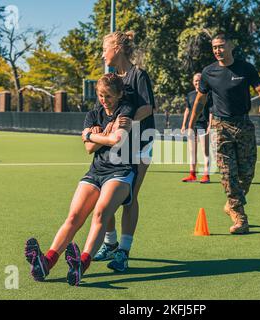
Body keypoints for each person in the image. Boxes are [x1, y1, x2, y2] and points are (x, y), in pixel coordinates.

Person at [24, 73, 136, 286]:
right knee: (74, 216)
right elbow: (88, 148)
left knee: (101, 212)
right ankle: (45, 262)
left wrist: (91, 134)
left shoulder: (125, 111)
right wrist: (100, 135)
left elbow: (116, 139)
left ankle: (81, 264)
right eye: (101, 95)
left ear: (120, 95)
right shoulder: (93, 113)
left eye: (109, 96)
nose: (104, 100)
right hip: (95, 172)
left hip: (121, 171)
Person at [85, 31, 156, 272]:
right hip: (115, 147)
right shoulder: (110, 78)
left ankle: (123, 252)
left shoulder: (138, 75)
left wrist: (125, 121)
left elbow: (148, 106)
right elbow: (99, 109)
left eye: (105, 48)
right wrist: (97, 126)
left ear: (117, 48)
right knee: (105, 194)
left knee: (129, 198)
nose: (102, 53)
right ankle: (110, 243)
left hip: (140, 144)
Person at [188, 33, 260, 235]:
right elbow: (200, 100)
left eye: (221, 46)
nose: (217, 50)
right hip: (220, 126)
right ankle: (239, 216)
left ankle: (231, 203)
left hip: (243, 124)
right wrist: (191, 123)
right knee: (227, 173)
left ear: (231, 46)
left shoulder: (245, 68)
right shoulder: (209, 72)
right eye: (214, 47)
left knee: (247, 173)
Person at [181, 73, 213, 184]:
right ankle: (192, 175)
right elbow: (187, 110)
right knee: (192, 151)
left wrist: (210, 125)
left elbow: (211, 110)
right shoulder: (190, 95)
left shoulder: (207, 94)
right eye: (195, 80)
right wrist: (184, 124)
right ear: (192, 82)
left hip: (203, 125)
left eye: (199, 80)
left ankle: (206, 176)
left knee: (205, 151)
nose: (197, 82)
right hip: (192, 126)